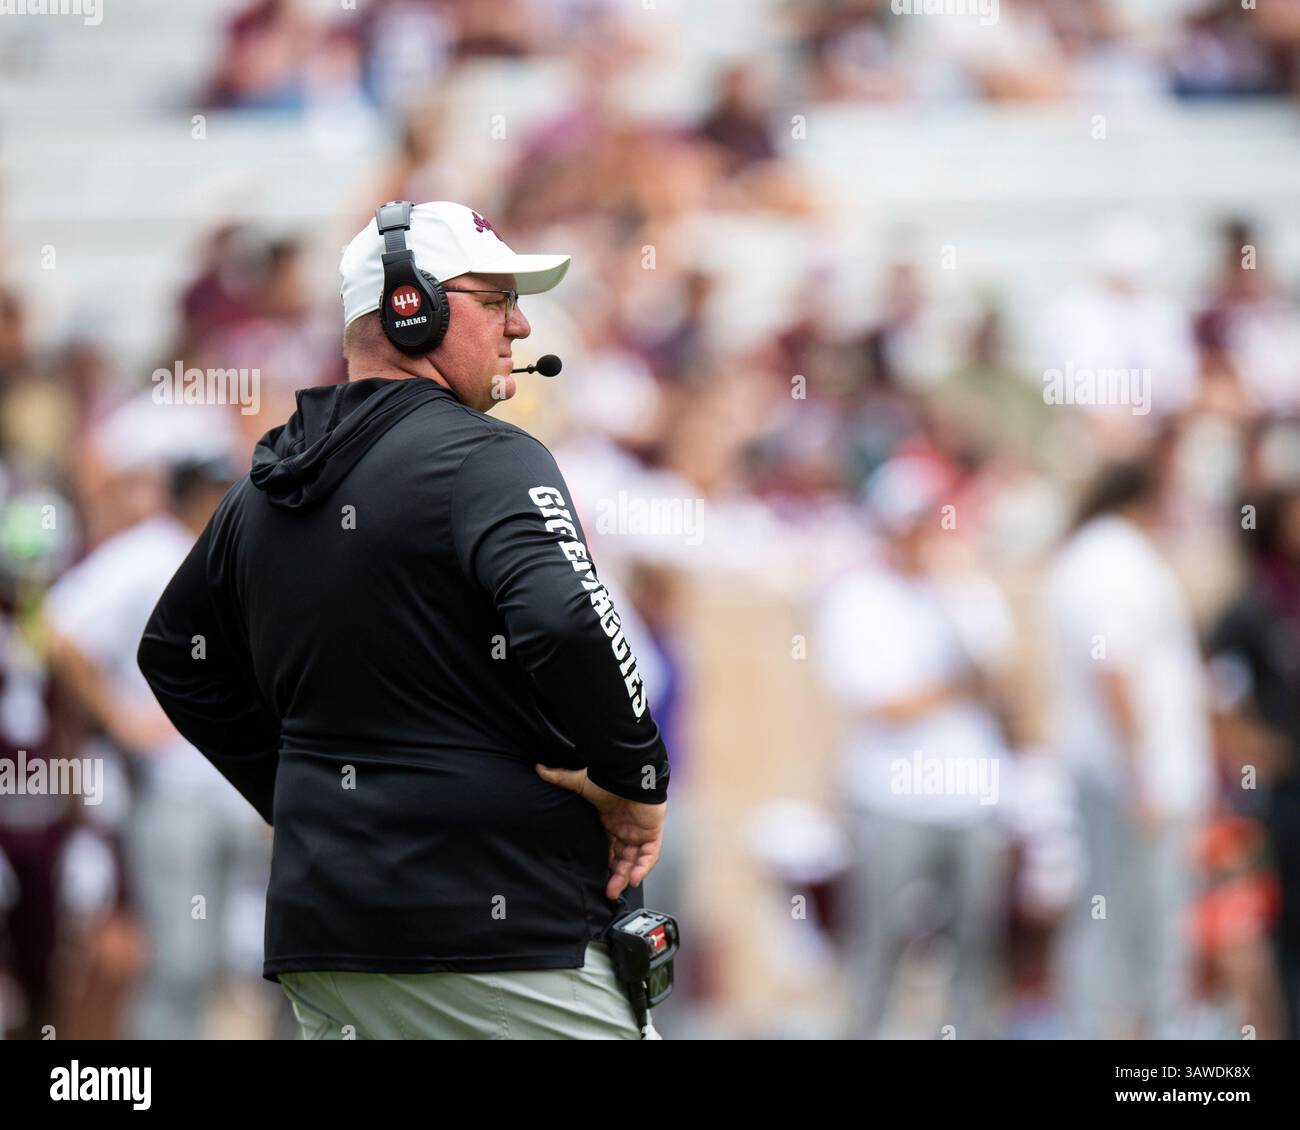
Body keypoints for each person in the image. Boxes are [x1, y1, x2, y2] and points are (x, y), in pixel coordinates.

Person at [137, 200, 671, 1040]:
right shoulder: (490, 458)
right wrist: (636, 778)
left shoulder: (263, 489)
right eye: (495, 301)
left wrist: (311, 800)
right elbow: (567, 620)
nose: (522, 326)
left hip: (330, 940)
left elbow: (177, 656)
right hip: (501, 937)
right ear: (408, 307)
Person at [1040, 458, 1213, 1038]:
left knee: (1140, 922)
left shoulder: (1105, 557)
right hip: (1130, 778)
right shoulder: (1110, 561)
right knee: (1125, 920)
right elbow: (1109, 667)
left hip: (1133, 774)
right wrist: (1141, 773)